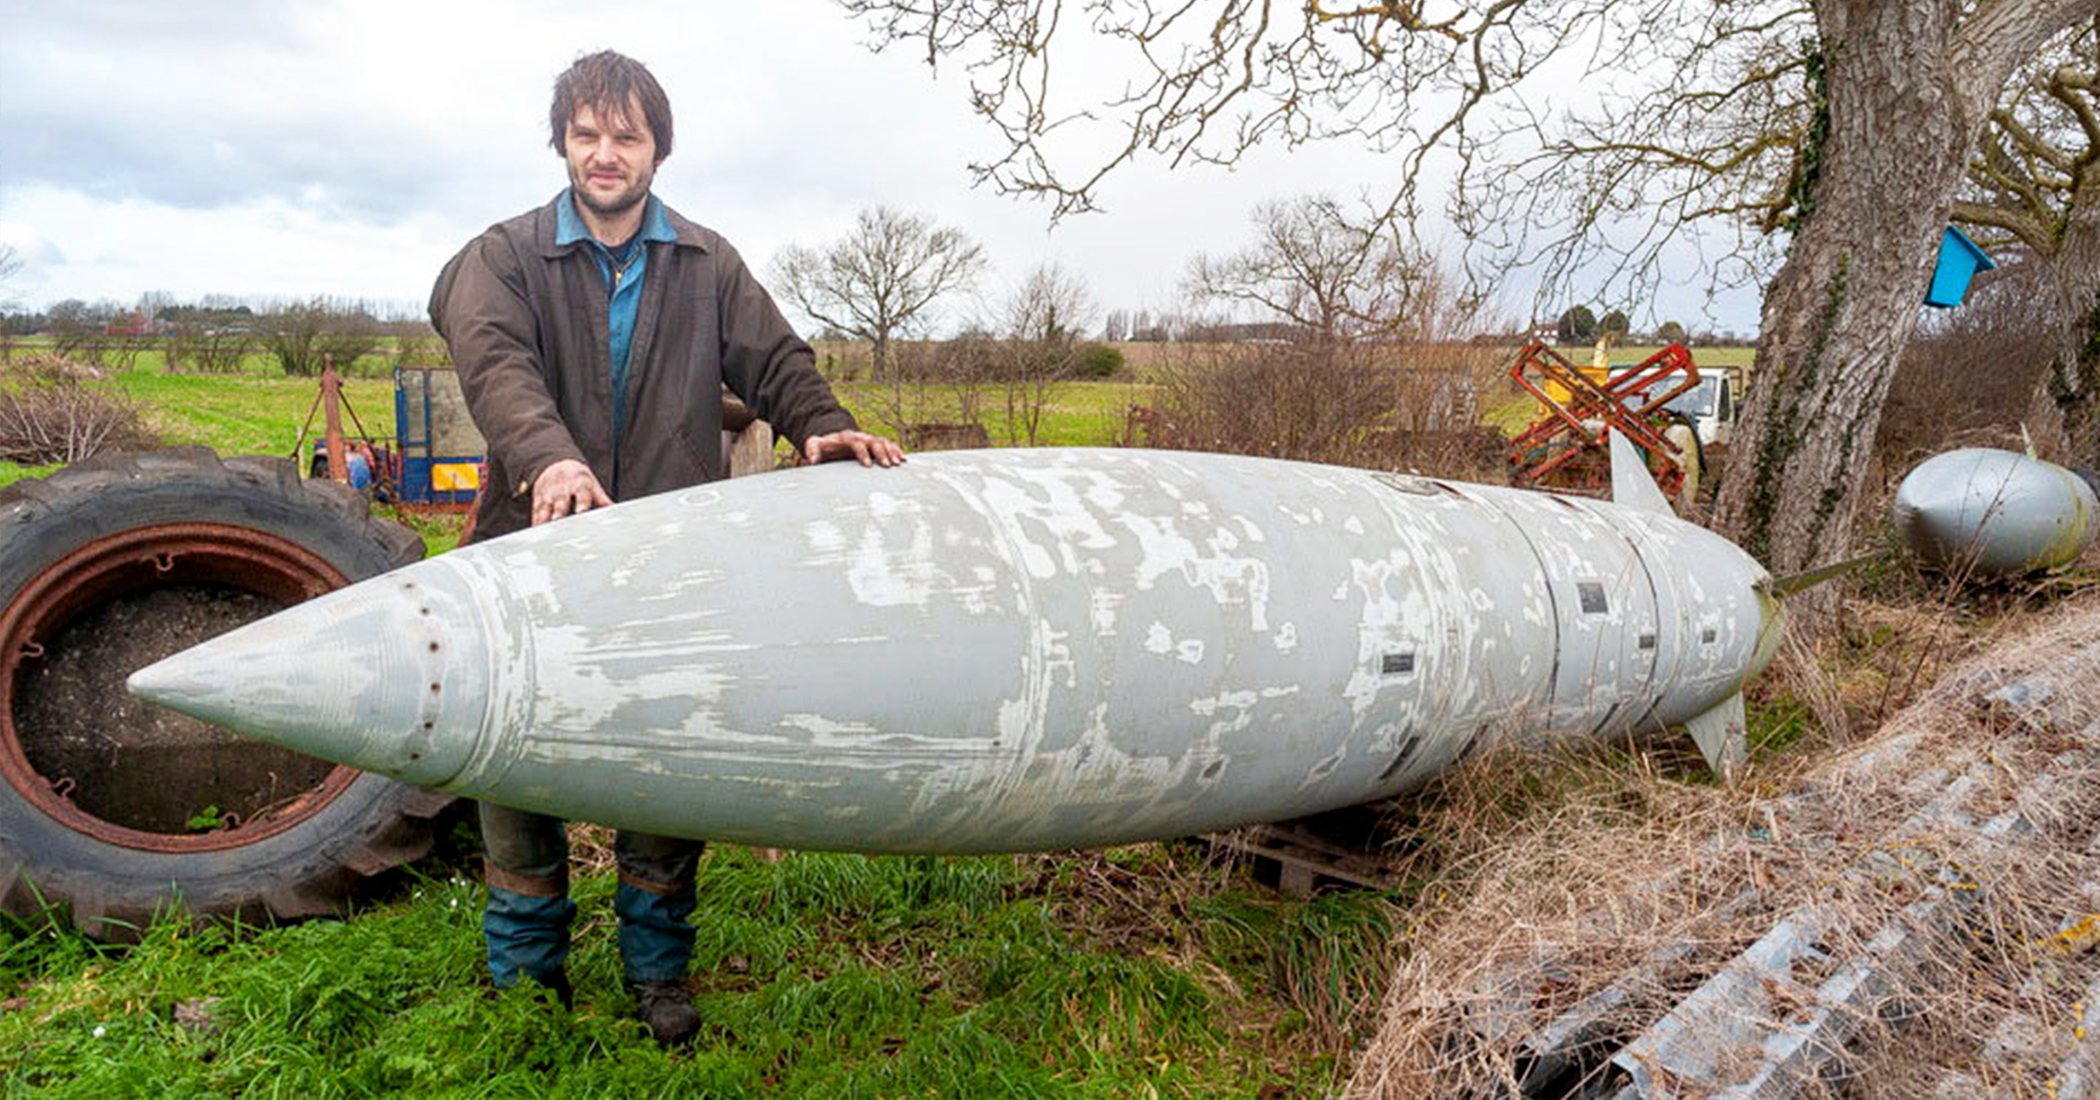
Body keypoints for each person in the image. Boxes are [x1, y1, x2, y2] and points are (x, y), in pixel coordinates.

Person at [427, 49, 903, 1047]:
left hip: (668, 561)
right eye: (586, 134)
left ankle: (657, 974)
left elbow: (775, 360)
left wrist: (823, 425)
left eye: (626, 136)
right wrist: (549, 459)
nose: (605, 154)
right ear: (562, 143)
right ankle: (528, 983)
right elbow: (497, 364)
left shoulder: (704, 261)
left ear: (657, 149)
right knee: (518, 772)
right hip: (532, 549)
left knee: (663, 765)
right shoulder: (503, 258)